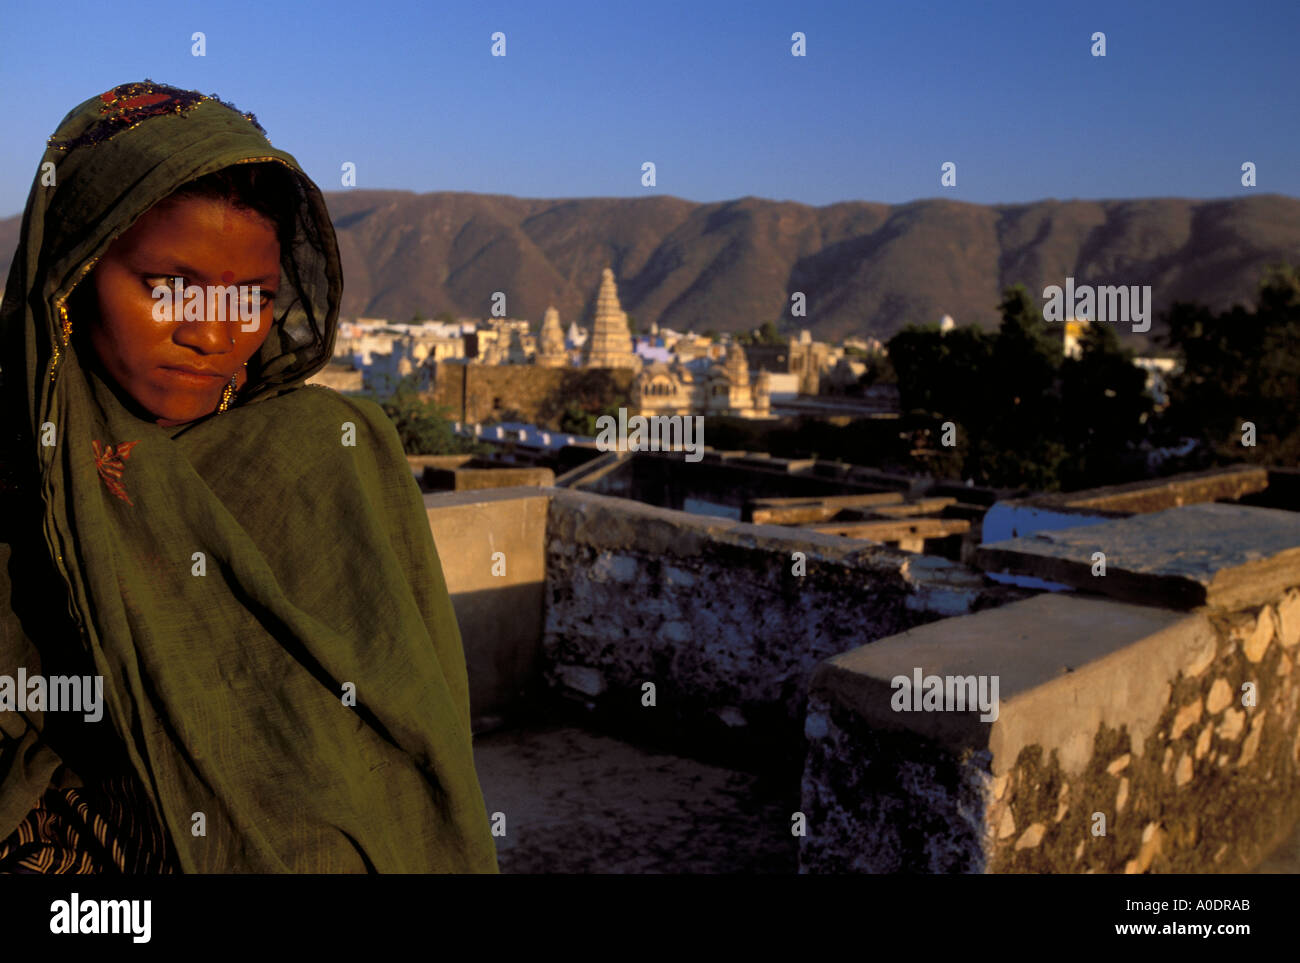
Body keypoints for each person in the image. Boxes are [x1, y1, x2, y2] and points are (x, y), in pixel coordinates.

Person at [0, 80, 499, 873]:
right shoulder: (25, 471)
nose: (213, 332)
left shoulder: (324, 455)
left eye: (253, 296)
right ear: (73, 272)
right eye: (170, 286)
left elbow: (410, 750)